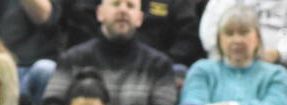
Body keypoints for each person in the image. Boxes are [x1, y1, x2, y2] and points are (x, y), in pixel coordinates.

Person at [36, 0, 177, 105]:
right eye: (115, 4)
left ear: (140, 18)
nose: (123, 10)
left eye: (130, 5)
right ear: (99, 13)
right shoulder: (72, 58)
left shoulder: (160, 65)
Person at [171, 4, 287, 105]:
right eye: (229, 33)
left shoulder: (277, 74)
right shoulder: (202, 69)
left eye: (243, 32)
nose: (237, 40)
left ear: (258, 38)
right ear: (219, 39)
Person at [63, 0, 202, 67]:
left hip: (154, 66)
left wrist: (164, 63)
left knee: (177, 70)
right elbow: (79, 20)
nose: (123, 10)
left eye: (129, 6)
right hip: (93, 59)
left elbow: (188, 35)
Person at [198, 0, 287, 71]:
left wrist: (279, 53)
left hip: (279, 70)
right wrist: (238, 50)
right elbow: (209, 37)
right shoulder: (222, 3)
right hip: (225, 68)